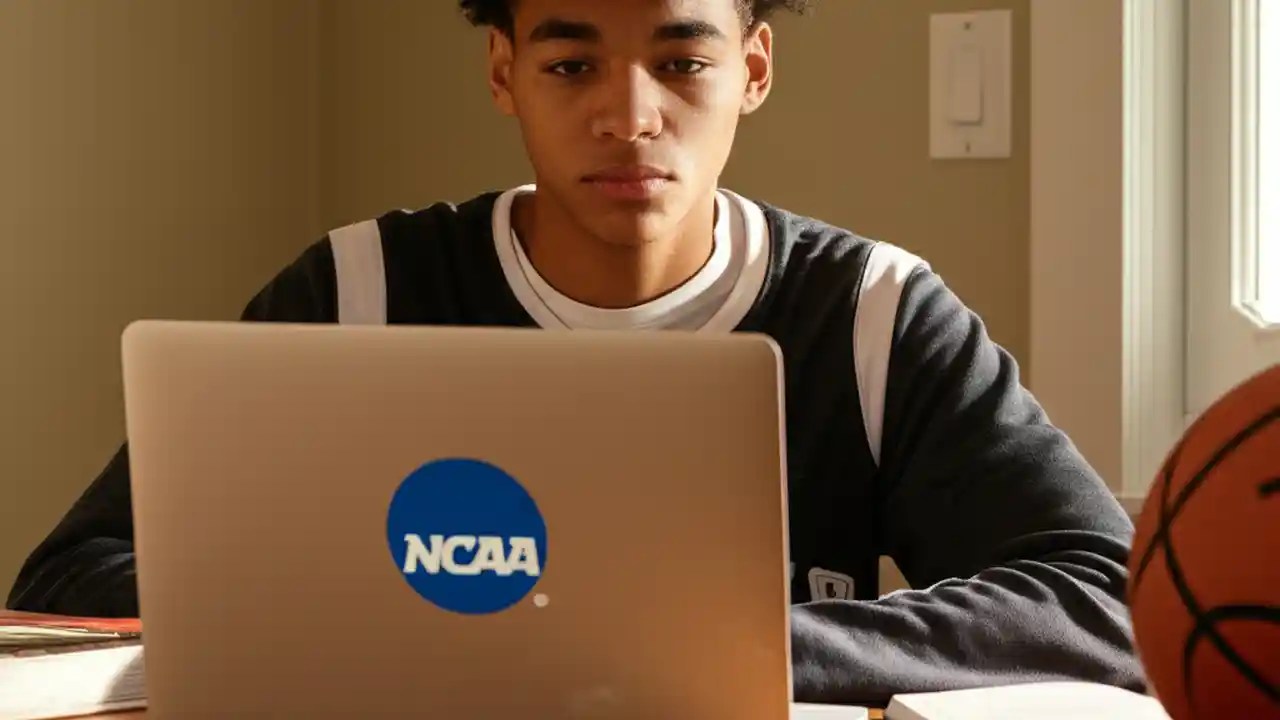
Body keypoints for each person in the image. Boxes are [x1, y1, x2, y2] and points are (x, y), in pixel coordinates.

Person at [7, 0, 1146, 706]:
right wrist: (383, 623)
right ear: (502, 72)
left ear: (751, 69)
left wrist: (740, 657)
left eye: (681, 63)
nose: (628, 113)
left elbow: (1103, 593)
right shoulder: (358, 291)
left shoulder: (869, 313)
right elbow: (73, 575)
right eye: (570, 66)